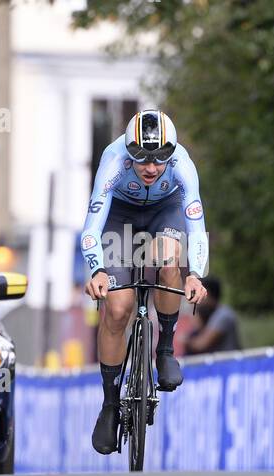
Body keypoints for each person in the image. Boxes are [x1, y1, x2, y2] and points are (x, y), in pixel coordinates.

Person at [80, 109, 209, 455]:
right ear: (128, 151)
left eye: (159, 159)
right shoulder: (113, 160)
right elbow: (92, 227)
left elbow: (196, 226)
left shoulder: (182, 164)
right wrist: (97, 271)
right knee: (118, 309)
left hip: (163, 212)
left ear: (171, 153)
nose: (151, 168)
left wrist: (195, 273)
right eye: (141, 159)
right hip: (118, 217)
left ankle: (165, 350)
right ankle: (109, 404)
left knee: (169, 260)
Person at [184, 277, 242, 355]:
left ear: (209, 295)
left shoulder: (223, 315)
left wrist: (185, 341)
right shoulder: (209, 313)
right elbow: (197, 329)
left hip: (229, 363)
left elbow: (201, 345)